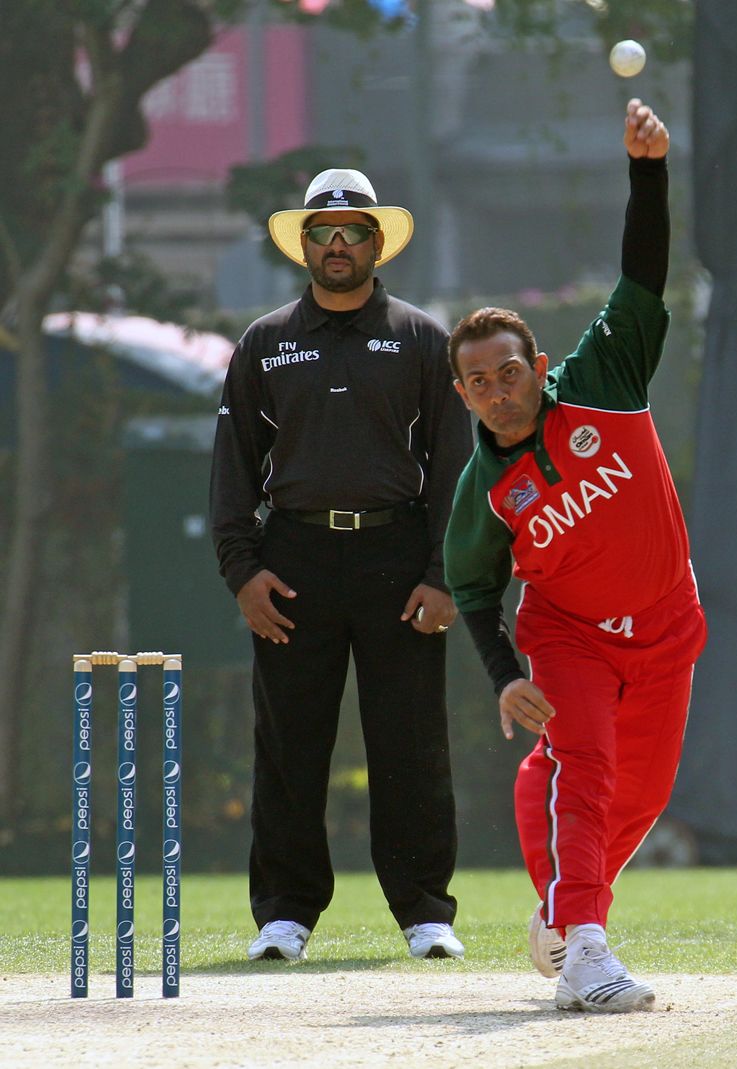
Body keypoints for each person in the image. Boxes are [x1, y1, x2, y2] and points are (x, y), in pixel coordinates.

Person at [444, 99, 707, 1012]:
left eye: (508, 372)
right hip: (569, 633)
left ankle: (561, 901)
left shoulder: (603, 379)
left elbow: (642, 275)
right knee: (586, 760)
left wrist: (648, 171)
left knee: (641, 790)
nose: (496, 391)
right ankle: (586, 954)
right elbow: (474, 587)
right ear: (463, 394)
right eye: (477, 382)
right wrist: (503, 674)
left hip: (670, 622)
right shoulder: (483, 488)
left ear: (537, 362)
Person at [210, 167, 473, 962]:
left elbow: (456, 465)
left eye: (352, 230)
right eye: (322, 232)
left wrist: (442, 574)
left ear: (375, 242)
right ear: (304, 246)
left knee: (411, 738)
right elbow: (232, 466)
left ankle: (426, 909)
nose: (336, 243)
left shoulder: (425, 338)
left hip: (399, 560)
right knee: (290, 742)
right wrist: (242, 571)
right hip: (293, 560)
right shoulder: (265, 341)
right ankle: (285, 914)